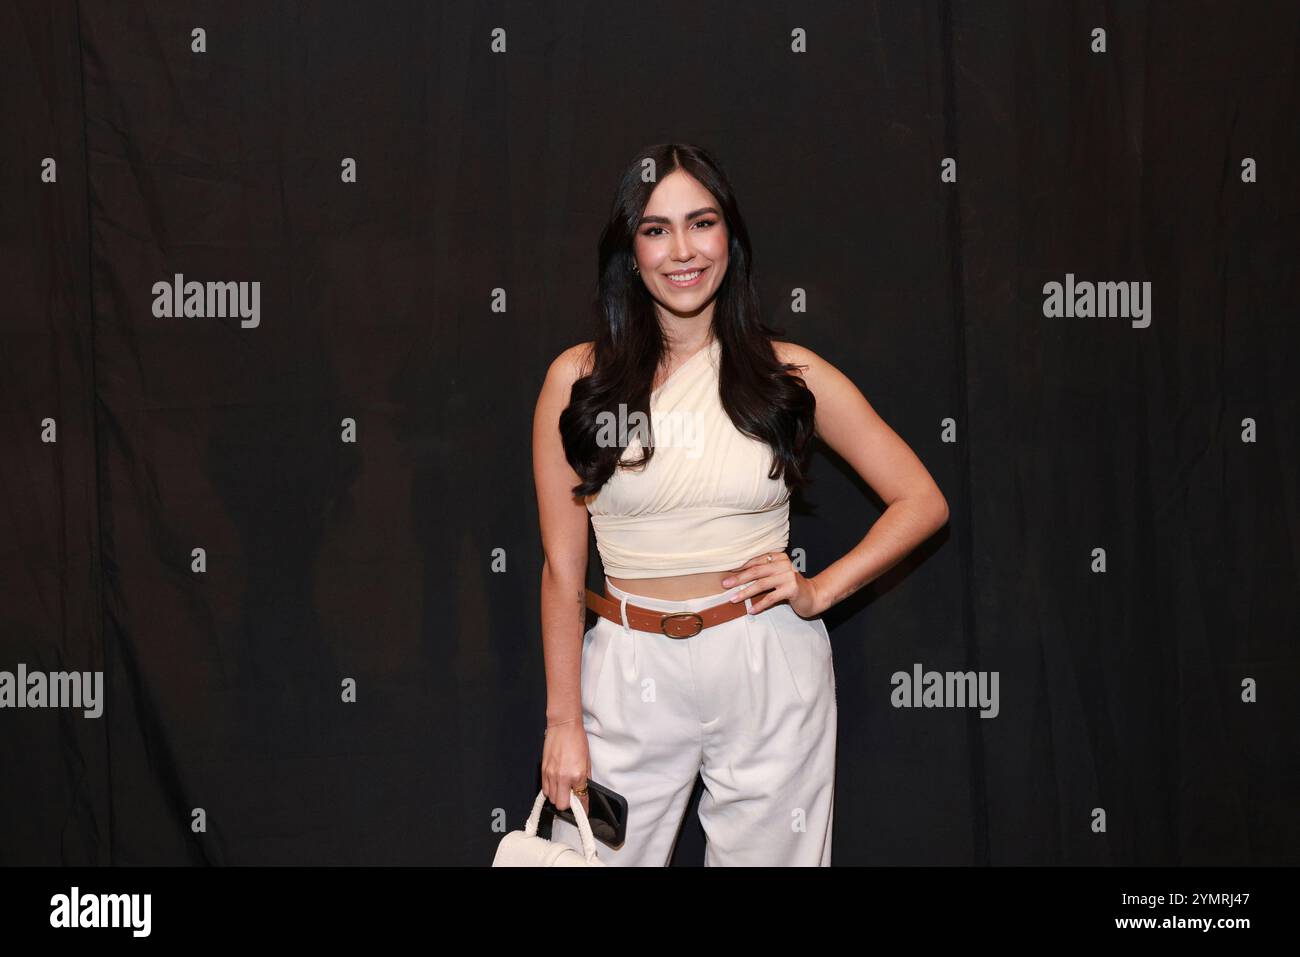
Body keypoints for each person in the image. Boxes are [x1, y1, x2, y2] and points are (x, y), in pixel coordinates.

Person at [531, 143, 949, 865]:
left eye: (703, 222)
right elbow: (563, 571)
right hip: (627, 672)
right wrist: (562, 718)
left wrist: (818, 591)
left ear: (731, 237)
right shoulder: (580, 380)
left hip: (767, 664)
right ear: (629, 249)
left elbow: (921, 499)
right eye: (657, 229)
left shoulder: (789, 376)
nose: (683, 250)